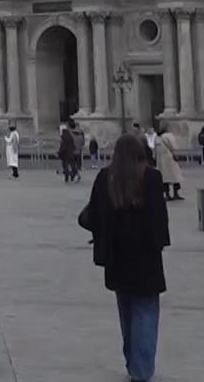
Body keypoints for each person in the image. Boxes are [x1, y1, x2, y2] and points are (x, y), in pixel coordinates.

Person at [79, 135, 170, 382]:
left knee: (127, 311)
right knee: (146, 311)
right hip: (146, 255)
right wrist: (159, 243)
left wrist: (101, 233)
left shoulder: (105, 178)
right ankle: (141, 368)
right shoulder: (151, 177)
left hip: (117, 256)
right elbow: (160, 218)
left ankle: (133, 361)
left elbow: (87, 216)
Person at [155, 122, 183, 200]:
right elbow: (174, 146)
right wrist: (176, 154)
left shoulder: (158, 137)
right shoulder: (169, 136)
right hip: (170, 159)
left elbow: (155, 149)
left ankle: (167, 194)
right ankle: (175, 193)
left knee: (165, 178)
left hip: (161, 160)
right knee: (175, 177)